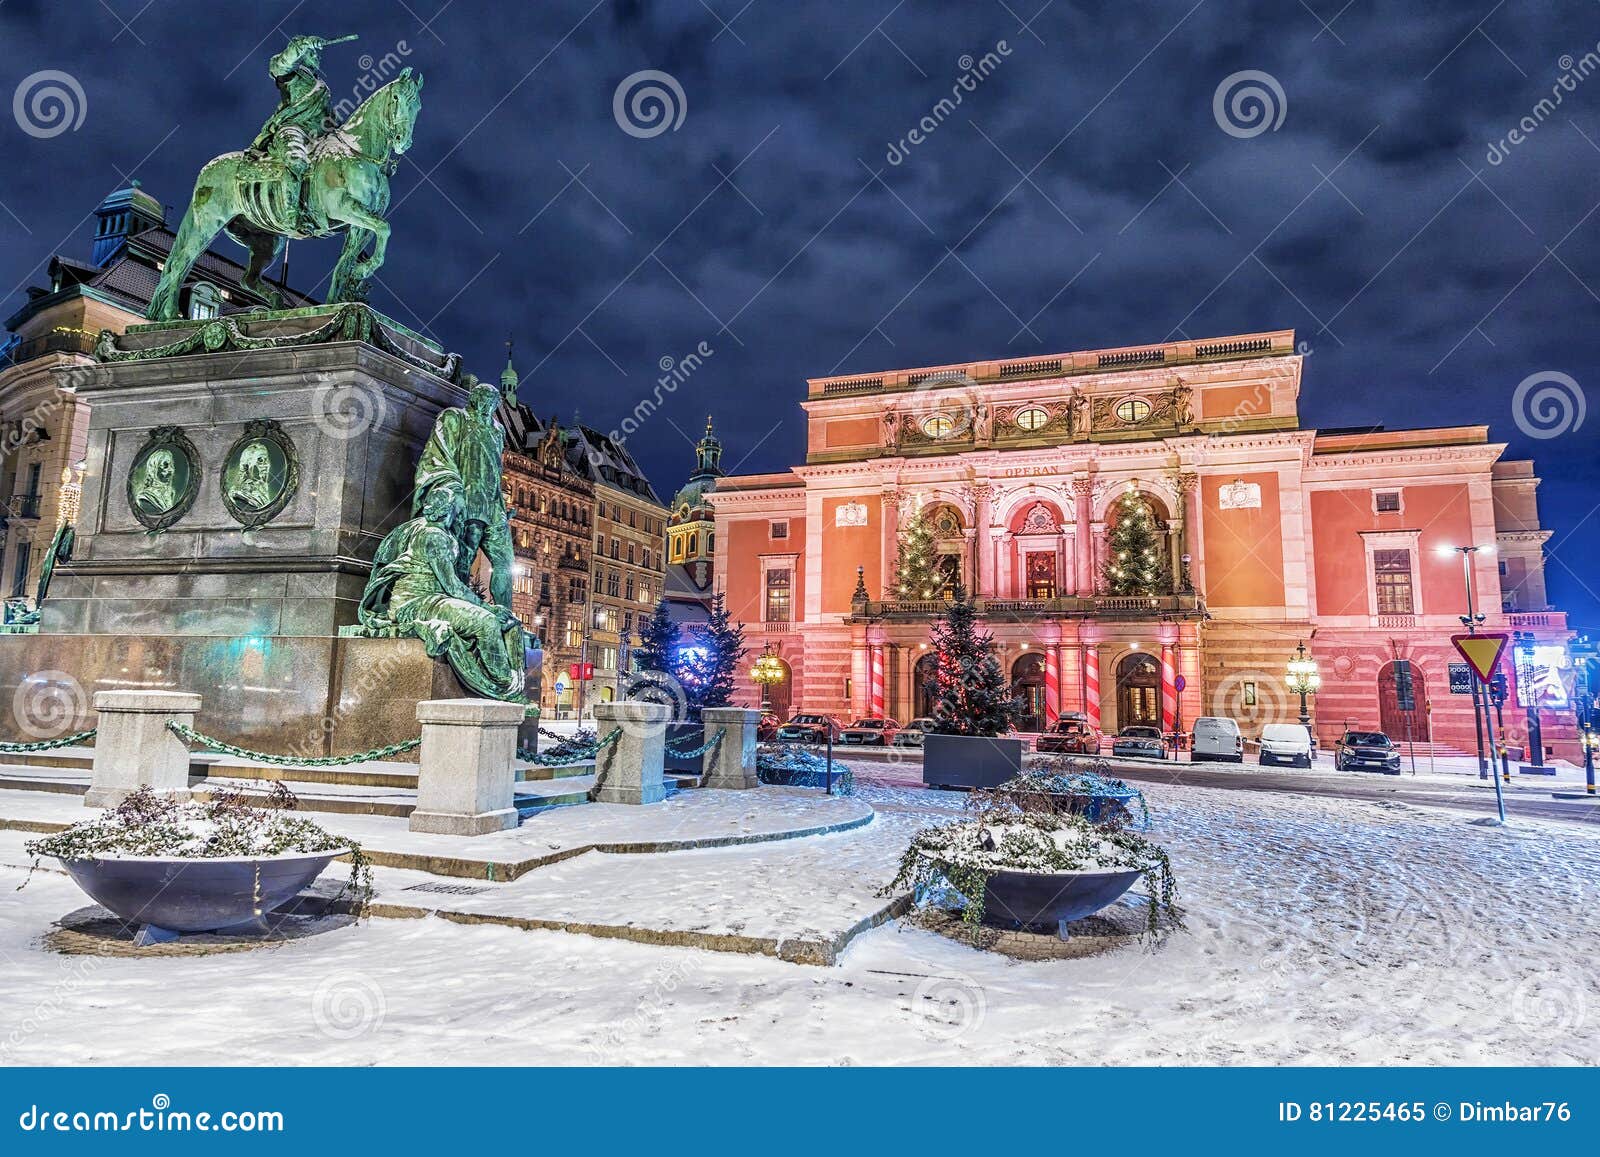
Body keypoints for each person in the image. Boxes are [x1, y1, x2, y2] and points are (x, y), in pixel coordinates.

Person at [358, 484, 524, 700]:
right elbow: (452, 586)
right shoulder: (434, 537)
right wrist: (487, 608)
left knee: (504, 622)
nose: (462, 513)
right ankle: (505, 685)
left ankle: (505, 683)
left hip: (432, 600)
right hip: (415, 603)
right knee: (487, 623)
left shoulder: (439, 532)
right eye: (459, 508)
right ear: (450, 509)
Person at [411, 375, 516, 614]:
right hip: (468, 503)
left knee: (505, 563)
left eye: (493, 402)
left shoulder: (498, 430)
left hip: (493, 506)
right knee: (463, 558)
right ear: (474, 399)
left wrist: (501, 503)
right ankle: (456, 608)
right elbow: (438, 457)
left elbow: (495, 470)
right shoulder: (455, 418)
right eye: (484, 400)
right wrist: (452, 492)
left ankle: (505, 615)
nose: (488, 406)